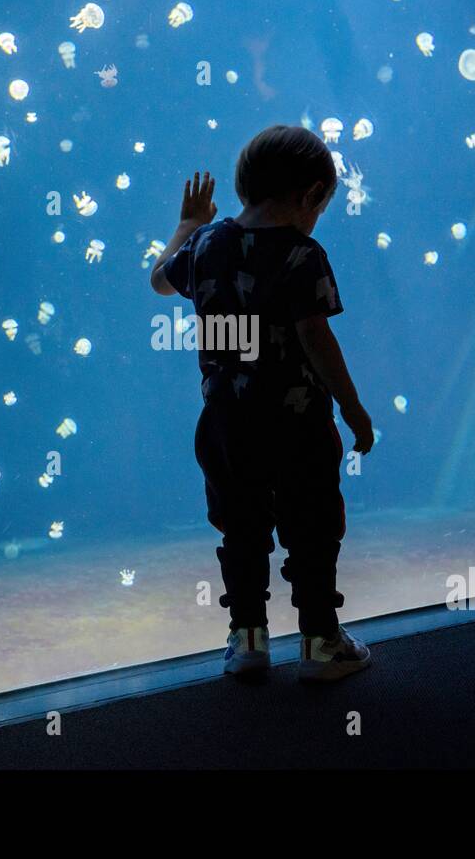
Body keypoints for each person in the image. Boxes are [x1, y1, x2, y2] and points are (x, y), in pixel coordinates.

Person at [150, 125, 374, 682]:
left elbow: (159, 280)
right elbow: (316, 338)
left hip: (226, 422)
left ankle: (247, 641)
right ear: (311, 194)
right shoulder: (304, 255)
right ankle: (321, 643)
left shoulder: (206, 246)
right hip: (297, 423)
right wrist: (351, 406)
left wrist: (186, 226)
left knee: (242, 527)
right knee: (312, 527)